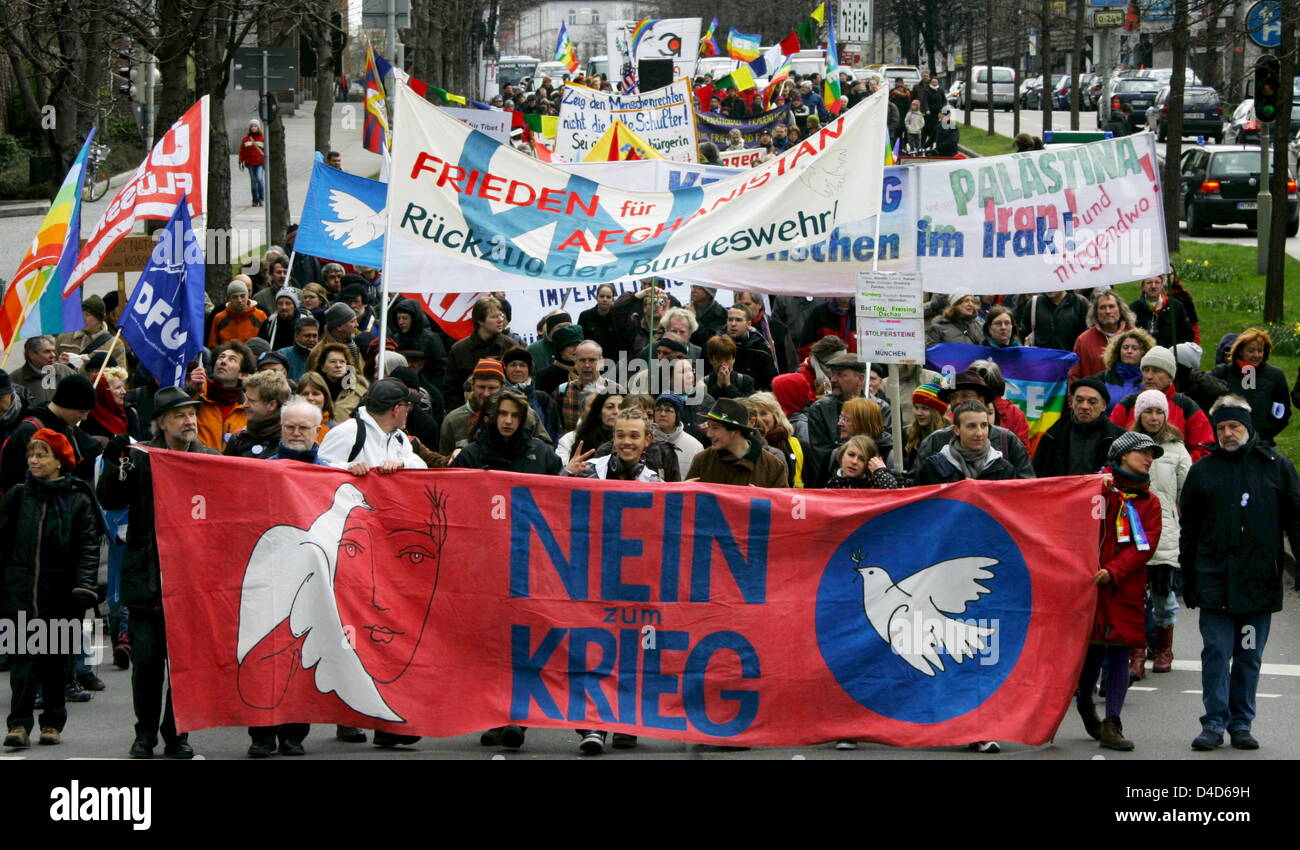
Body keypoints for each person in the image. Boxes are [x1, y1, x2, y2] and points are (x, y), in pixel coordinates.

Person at [98, 387, 220, 758]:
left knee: (186, 665)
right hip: (149, 578)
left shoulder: (212, 460)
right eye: (180, 415)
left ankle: (177, 734)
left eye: (192, 414)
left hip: (194, 580)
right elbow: (110, 499)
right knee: (147, 662)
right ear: (162, 423)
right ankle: (145, 734)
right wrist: (113, 461)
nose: (190, 421)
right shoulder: (140, 459)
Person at [1181, 395, 1300, 752]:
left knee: (1248, 655)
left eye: (1234, 427)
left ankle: (1241, 722)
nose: (1228, 433)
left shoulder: (1275, 466)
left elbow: (1295, 518)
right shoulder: (1202, 471)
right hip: (1214, 581)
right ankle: (1213, 723)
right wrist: (1187, 577)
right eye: (1221, 428)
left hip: (1256, 583)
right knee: (1217, 652)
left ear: (1247, 428)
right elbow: (1190, 529)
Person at [1, 430, 104, 749]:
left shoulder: (77, 498)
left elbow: (89, 546)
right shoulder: (19, 495)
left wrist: (84, 587)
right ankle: (18, 725)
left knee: (55, 662)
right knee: (22, 663)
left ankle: (52, 723)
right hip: (20, 592)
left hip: (61, 594)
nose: (33, 460)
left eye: (42, 454)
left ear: (60, 460)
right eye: (31, 454)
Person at [1075, 432, 1163, 751]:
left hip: (1124, 587)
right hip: (1089, 586)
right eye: (1143, 452)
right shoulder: (1095, 489)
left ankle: (1113, 722)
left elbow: (1146, 544)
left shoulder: (1149, 502)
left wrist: (1113, 571)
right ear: (1123, 456)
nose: (1149, 458)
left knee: (1121, 652)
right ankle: (1085, 701)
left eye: (1152, 454)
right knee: (1091, 655)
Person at [1129, 389, 1191, 678]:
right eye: (1148, 411)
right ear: (1139, 414)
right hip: (1131, 531)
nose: (1153, 417)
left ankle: (1163, 650)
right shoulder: (1125, 446)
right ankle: (1137, 653)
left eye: (1158, 412)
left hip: (1165, 534)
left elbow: (1188, 494)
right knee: (1134, 598)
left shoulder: (1178, 450)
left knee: (1164, 598)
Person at [1109, 346, 1214, 462]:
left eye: (1156, 371)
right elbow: (1110, 443)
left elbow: (1204, 449)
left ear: (1170, 377)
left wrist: (1179, 466)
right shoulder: (1127, 404)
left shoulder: (1187, 407)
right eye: (1146, 370)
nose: (1149, 376)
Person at [0, 373, 100, 491]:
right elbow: (15, 480)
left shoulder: (66, 425)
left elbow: (94, 448)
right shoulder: (30, 430)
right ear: (67, 404)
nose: (84, 418)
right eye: (82, 411)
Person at [318, 378, 427, 473]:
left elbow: (422, 468)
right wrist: (347, 467)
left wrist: (403, 463)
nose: (409, 410)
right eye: (407, 405)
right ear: (396, 409)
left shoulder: (400, 437)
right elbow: (318, 469)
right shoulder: (347, 431)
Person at [1209, 328, 1291, 446]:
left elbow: (1283, 412)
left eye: (1260, 351)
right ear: (1240, 351)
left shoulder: (1275, 376)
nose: (1256, 355)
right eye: (1251, 351)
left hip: (1263, 444)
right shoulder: (1222, 372)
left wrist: (1265, 434)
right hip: (1228, 443)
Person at [914, 399, 1028, 484]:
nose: (979, 433)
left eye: (984, 425)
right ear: (957, 430)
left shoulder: (1004, 469)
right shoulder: (932, 467)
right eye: (971, 426)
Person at [1032, 377, 1125, 478]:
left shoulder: (1120, 439)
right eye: (1079, 400)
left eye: (1092, 402)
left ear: (1103, 406)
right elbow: (1034, 476)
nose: (1084, 406)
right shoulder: (1052, 436)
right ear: (1071, 402)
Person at [686, 398, 788, 487]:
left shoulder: (772, 465)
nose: (709, 434)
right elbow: (688, 504)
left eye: (715, 428)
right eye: (708, 427)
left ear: (735, 432)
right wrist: (684, 489)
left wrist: (764, 499)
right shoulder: (703, 460)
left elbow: (782, 504)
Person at [806, 351, 869, 487]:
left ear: (860, 379)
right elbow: (820, 456)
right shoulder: (820, 408)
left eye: (841, 375)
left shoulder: (879, 408)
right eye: (833, 374)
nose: (833, 379)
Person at [444, 296, 517, 402]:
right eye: (493, 317)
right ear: (480, 321)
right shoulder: (459, 350)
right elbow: (451, 389)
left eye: (501, 315)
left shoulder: (511, 346)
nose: (500, 320)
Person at [188, 341, 254, 450]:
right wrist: (190, 389)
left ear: (242, 374)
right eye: (221, 357)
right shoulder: (198, 393)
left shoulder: (248, 407)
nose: (223, 361)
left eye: (232, 359)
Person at [1070, 289, 1135, 381]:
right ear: (1096, 312)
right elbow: (1074, 375)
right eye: (1102, 307)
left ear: (1120, 310)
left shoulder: (1135, 336)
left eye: (1111, 306)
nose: (1108, 311)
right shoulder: (1083, 340)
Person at [223, 369, 290, 458]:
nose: (244, 405)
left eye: (251, 400)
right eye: (245, 399)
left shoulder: (291, 445)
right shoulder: (238, 440)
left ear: (272, 405)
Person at [749, 391, 811, 488]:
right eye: (754, 414)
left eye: (763, 413)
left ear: (776, 416)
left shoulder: (800, 446)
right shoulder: (743, 446)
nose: (759, 419)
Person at [1093, 328, 1155, 414]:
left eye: (1134, 348)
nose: (1129, 351)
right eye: (1125, 347)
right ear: (1118, 351)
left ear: (1143, 353)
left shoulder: (1149, 380)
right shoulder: (1103, 378)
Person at [305, 341, 368, 423]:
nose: (338, 365)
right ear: (323, 367)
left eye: (342, 362)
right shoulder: (312, 390)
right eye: (333, 361)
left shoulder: (359, 392)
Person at [1130, 274, 1193, 349]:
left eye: (1157, 282)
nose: (1153, 286)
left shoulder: (1176, 306)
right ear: (1143, 287)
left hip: (1170, 354)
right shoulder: (1133, 308)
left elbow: (1187, 334)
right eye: (1149, 283)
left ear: (1162, 285)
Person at [1014, 290, 1089, 351]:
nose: (1050, 287)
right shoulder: (1034, 303)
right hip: (1042, 362)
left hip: (1072, 361)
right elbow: (1024, 332)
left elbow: (1087, 335)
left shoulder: (1079, 303)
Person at [14, 336, 74, 407]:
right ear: (32, 354)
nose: (53, 355)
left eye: (53, 351)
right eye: (47, 351)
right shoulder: (15, 379)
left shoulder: (65, 371)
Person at [208, 281, 268, 348]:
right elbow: (213, 345)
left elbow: (266, 344)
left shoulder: (260, 315)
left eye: (242, 296)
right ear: (229, 298)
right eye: (235, 297)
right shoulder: (219, 318)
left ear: (248, 295)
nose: (239, 300)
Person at [825, 434, 899, 489]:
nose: (854, 462)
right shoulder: (830, 483)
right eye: (851, 455)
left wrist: (881, 472)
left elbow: (892, 494)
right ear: (842, 455)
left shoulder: (873, 486)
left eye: (862, 459)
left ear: (868, 463)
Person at [578, 283, 620, 356]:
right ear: (596, 297)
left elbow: (623, 344)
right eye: (601, 296)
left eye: (608, 297)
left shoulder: (618, 317)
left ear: (613, 299)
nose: (604, 299)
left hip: (613, 362)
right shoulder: (585, 316)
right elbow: (580, 342)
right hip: (590, 361)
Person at [275, 317, 320, 382]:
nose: (311, 339)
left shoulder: (324, 355)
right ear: (296, 336)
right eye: (307, 336)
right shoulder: (282, 355)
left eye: (314, 336)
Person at [238, 120, 266, 206]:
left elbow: (267, 151)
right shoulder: (245, 139)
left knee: (259, 179)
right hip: (250, 163)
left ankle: (261, 198)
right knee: (253, 182)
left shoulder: (263, 138)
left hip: (260, 163)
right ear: (250, 128)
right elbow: (242, 151)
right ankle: (255, 200)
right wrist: (241, 161)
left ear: (258, 127)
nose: (254, 128)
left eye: (255, 126)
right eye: (252, 126)